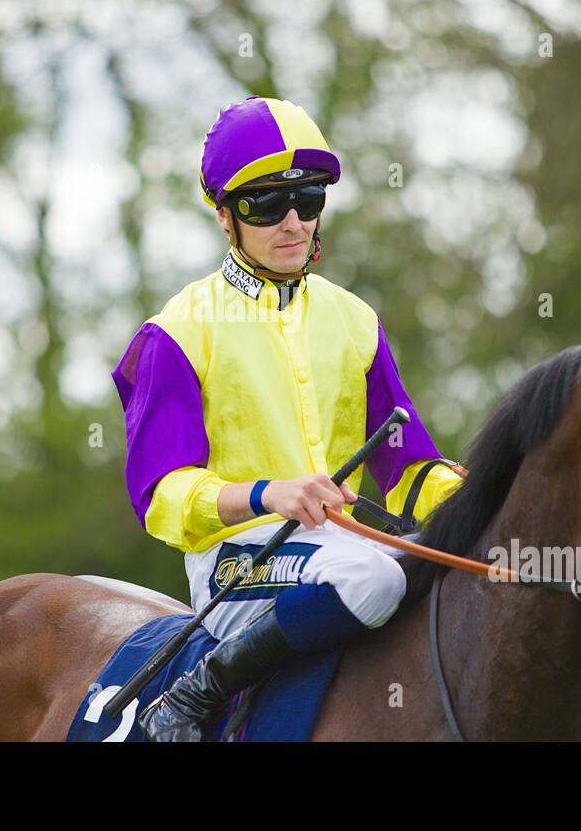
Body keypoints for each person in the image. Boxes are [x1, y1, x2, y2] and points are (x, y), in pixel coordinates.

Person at [111, 95, 466, 741]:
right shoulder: (177, 331)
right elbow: (161, 497)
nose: (294, 222)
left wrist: (476, 492)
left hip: (341, 553)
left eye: (309, 199)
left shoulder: (356, 321)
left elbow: (408, 466)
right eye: (267, 205)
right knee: (376, 576)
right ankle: (200, 688)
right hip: (237, 563)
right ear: (224, 217)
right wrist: (269, 494)